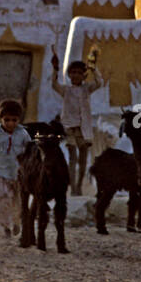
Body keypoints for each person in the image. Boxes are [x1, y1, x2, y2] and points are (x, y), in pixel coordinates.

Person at [52, 57, 104, 195]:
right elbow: (54, 84)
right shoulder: (66, 90)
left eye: (79, 73)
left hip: (84, 128)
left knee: (82, 160)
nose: (75, 75)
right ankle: (73, 186)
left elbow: (100, 83)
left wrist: (94, 69)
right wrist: (55, 69)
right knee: (72, 158)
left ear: (84, 76)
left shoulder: (87, 89)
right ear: (69, 75)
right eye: (73, 72)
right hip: (70, 127)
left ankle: (79, 184)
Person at [0, 98, 32, 239]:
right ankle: (6, 226)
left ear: (19, 120)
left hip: (18, 173)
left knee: (17, 201)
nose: (11, 123)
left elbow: (30, 150)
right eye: (7, 120)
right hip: (0, 173)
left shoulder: (23, 134)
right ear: (1, 119)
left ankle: (16, 223)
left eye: (14, 120)